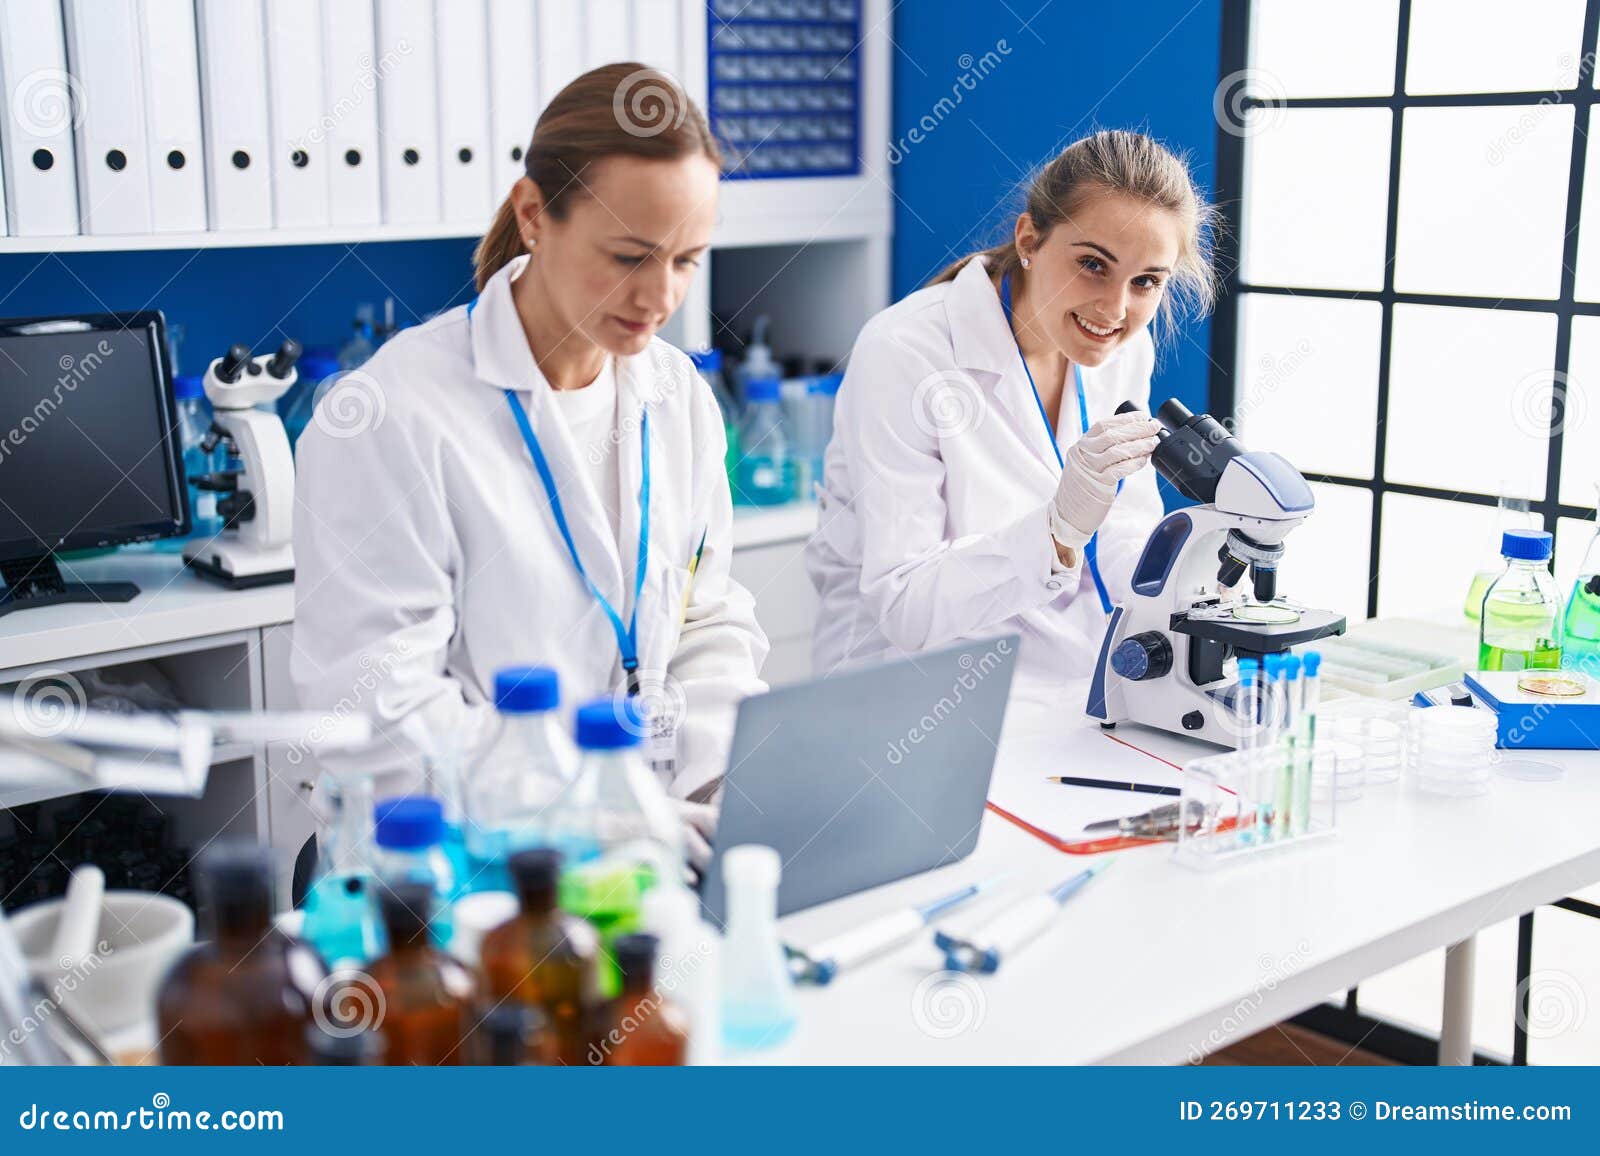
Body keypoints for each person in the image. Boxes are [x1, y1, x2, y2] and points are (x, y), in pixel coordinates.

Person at [292, 64, 767, 838]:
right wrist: (602, 812)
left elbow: (705, 619)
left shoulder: (676, 394)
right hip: (455, 858)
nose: (660, 299)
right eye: (628, 257)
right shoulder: (387, 416)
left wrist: (722, 789)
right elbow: (381, 716)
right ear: (536, 213)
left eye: (686, 261)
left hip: (642, 845)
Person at [806, 130, 1217, 698]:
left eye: (1146, 281)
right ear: (1029, 238)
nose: (1115, 309)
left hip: (1066, 683)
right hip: (912, 693)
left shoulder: (1124, 351)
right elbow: (905, 607)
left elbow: (1123, 528)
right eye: (1093, 264)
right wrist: (1057, 531)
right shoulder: (907, 352)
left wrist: (1194, 584)